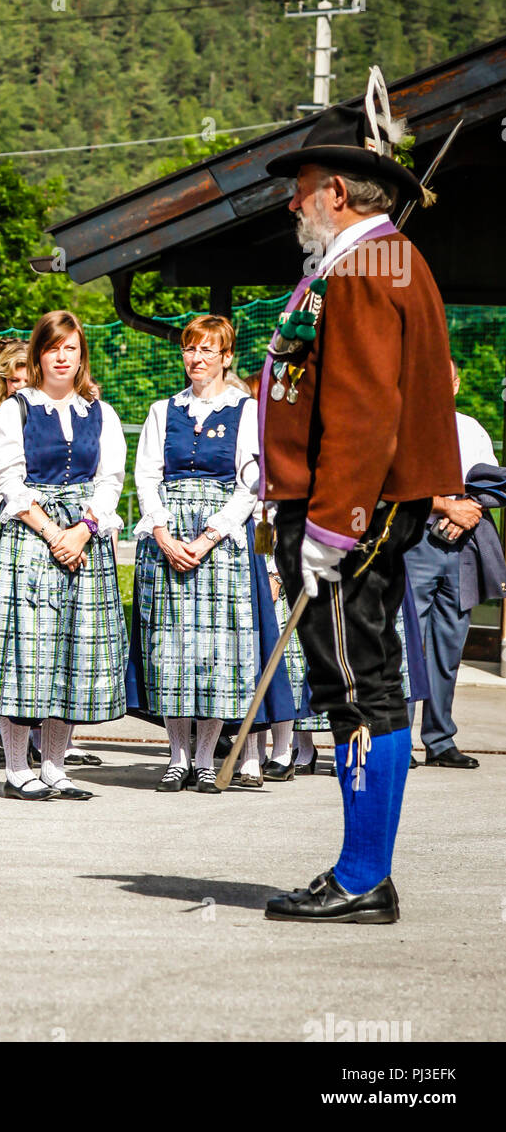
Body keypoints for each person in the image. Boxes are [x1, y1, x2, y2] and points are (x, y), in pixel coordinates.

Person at [260, 68, 462, 923]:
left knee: (356, 687)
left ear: (336, 190)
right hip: (350, 507)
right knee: (359, 683)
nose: (292, 205)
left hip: (353, 513)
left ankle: (359, 876)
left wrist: (332, 522)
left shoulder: (364, 263)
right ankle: (359, 869)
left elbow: (363, 406)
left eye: (302, 189)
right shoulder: (371, 254)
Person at [127, 316, 296, 792]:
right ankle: (177, 756)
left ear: (226, 357)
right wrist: (160, 531)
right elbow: (146, 476)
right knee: (172, 654)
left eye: (207, 351)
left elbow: (251, 487)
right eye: (190, 350)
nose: (196, 359)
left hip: (219, 544)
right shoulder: (165, 410)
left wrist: (207, 537)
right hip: (168, 539)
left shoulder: (246, 410)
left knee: (215, 656)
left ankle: (206, 758)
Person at [0, 310, 128, 800]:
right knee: (27, 655)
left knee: (69, 655)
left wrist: (83, 530)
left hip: (83, 541)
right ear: (38, 353)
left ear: (81, 354)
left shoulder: (100, 413)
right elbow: (9, 483)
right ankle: (17, 767)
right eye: (52, 348)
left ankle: (56, 765)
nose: (62, 358)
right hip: (31, 539)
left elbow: (109, 482)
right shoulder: (15, 410)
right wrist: (52, 532)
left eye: (70, 348)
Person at [403, 358, 498, 769]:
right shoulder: (402, 424)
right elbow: (395, 485)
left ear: (457, 384)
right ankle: (397, 744)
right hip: (414, 542)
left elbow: (491, 480)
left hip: (463, 547)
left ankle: (440, 741)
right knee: (406, 645)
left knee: (448, 648)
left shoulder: (471, 427)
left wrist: (469, 510)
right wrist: (444, 506)